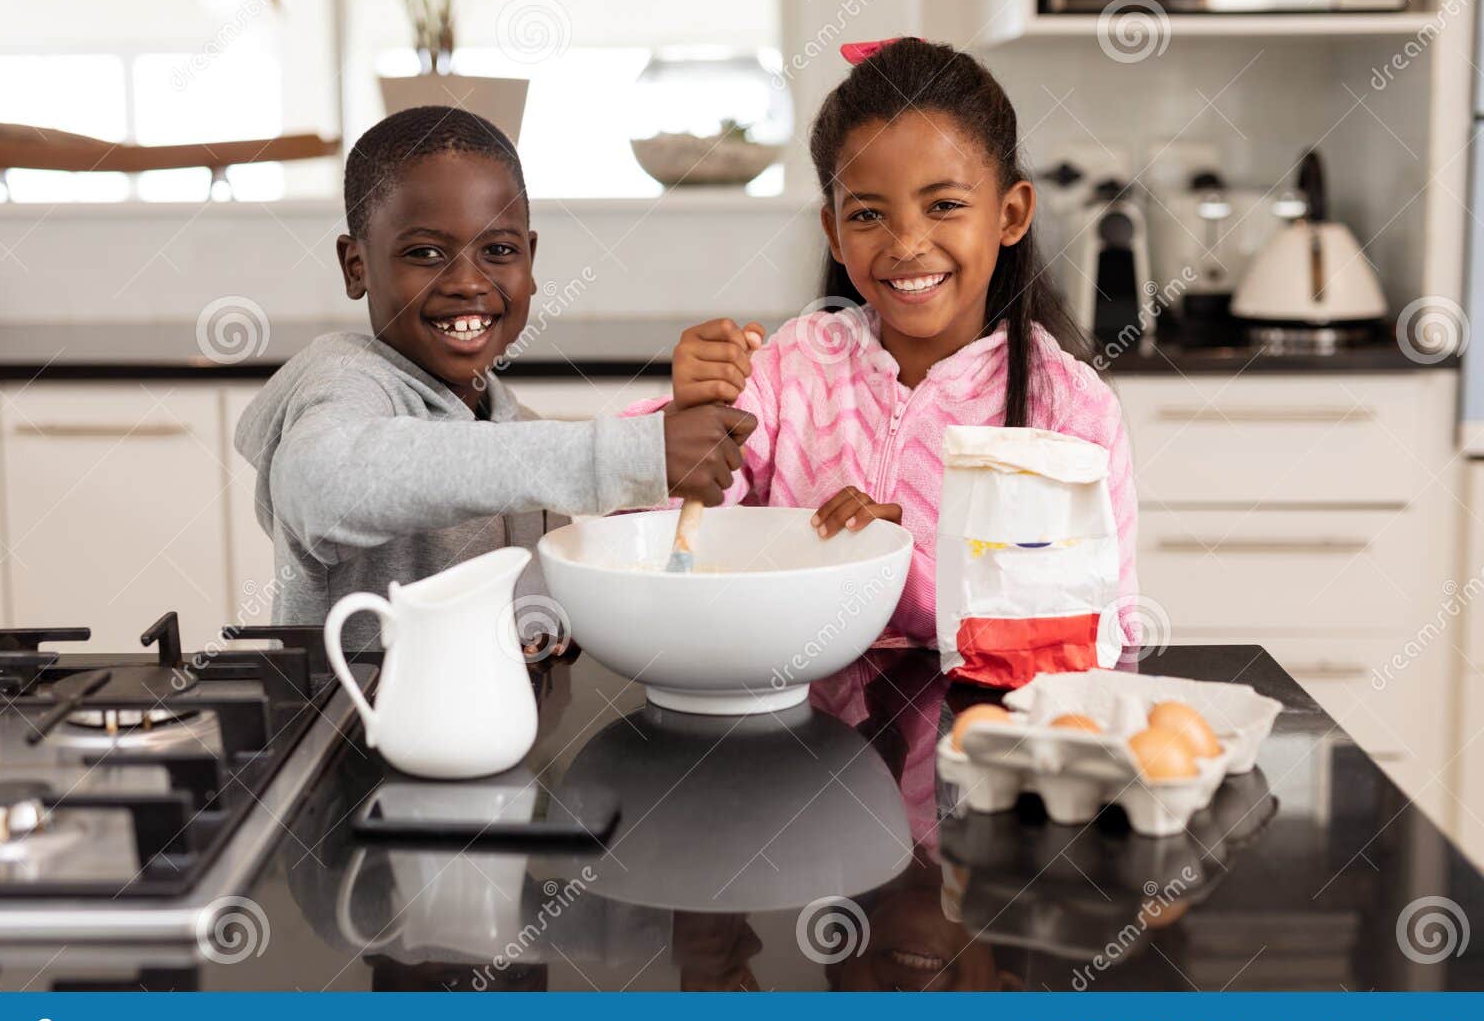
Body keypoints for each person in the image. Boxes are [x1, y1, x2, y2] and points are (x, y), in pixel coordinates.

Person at [639, 38, 1137, 649]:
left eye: (945, 205)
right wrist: (683, 425)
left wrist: (905, 575)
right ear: (833, 231)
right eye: (868, 215)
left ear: (1011, 214)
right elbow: (662, 557)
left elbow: (1100, 633)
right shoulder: (787, 375)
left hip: (984, 734)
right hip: (795, 727)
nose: (905, 244)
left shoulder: (1069, 409)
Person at [236, 106, 754, 650]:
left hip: (501, 728)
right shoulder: (346, 382)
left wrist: (664, 446)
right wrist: (631, 453)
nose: (467, 282)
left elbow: (542, 615)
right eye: (425, 253)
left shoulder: (514, 425)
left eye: (498, 251)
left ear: (529, 261)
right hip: (352, 731)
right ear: (356, 266)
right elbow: (323, 482)